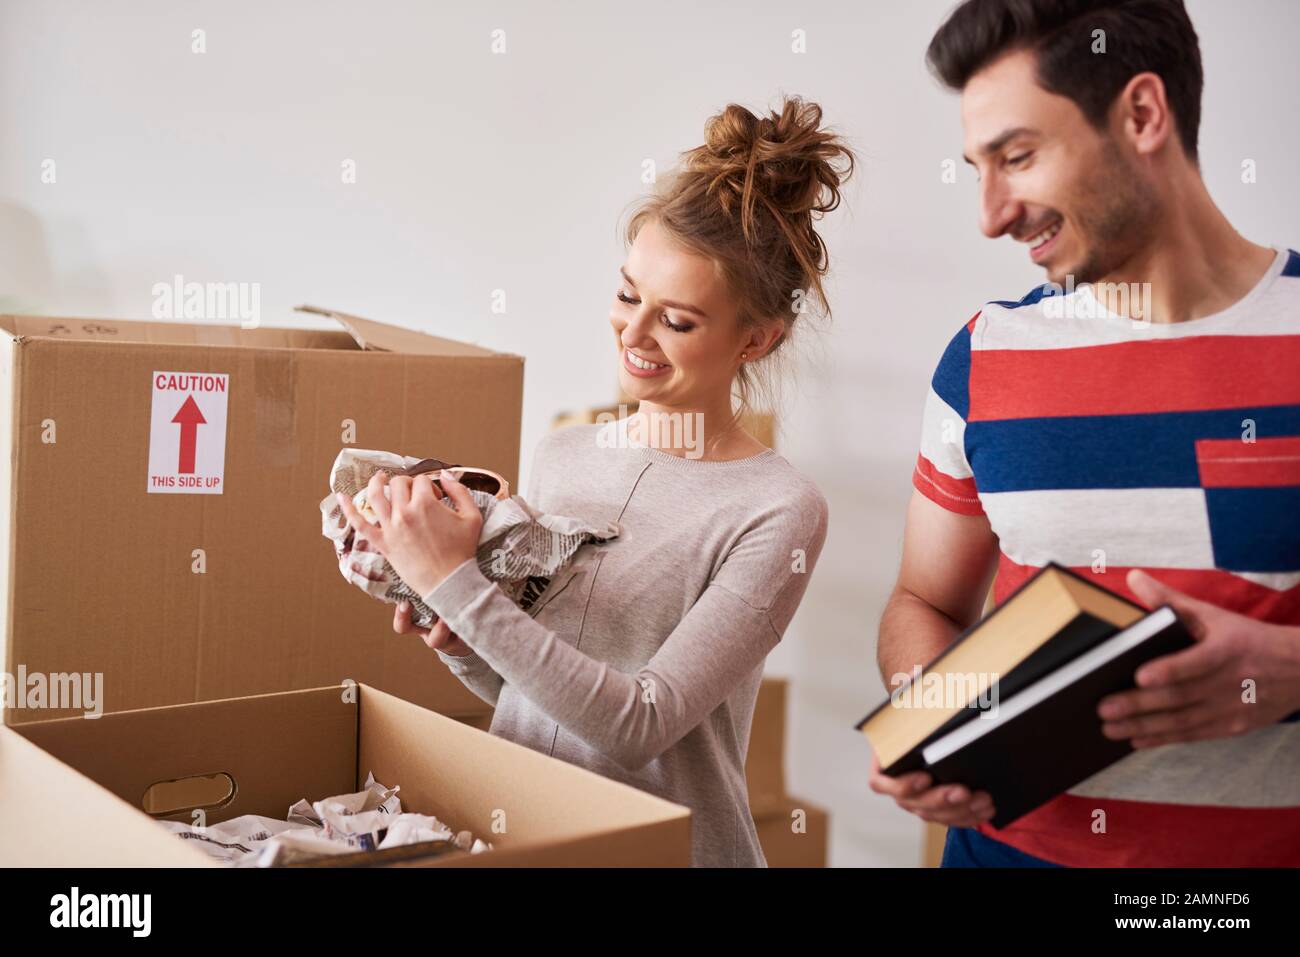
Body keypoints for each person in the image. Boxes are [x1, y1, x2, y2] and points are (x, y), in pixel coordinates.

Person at [337, 96, 856, 866]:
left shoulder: (777, 510)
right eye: (626, 294)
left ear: (759, 336)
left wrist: (456, 585)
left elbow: (638, 725)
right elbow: (540, 700)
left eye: (677, 320)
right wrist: (455, 634)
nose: (634, 333)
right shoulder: (565, 454)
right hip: (530, 837)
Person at [870, 0, 1300, 866]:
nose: (992, 214)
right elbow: (924, 602)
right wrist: (937, 716)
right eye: (977, 169)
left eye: (1017, 158)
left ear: (1142, 115)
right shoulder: (981, 357)